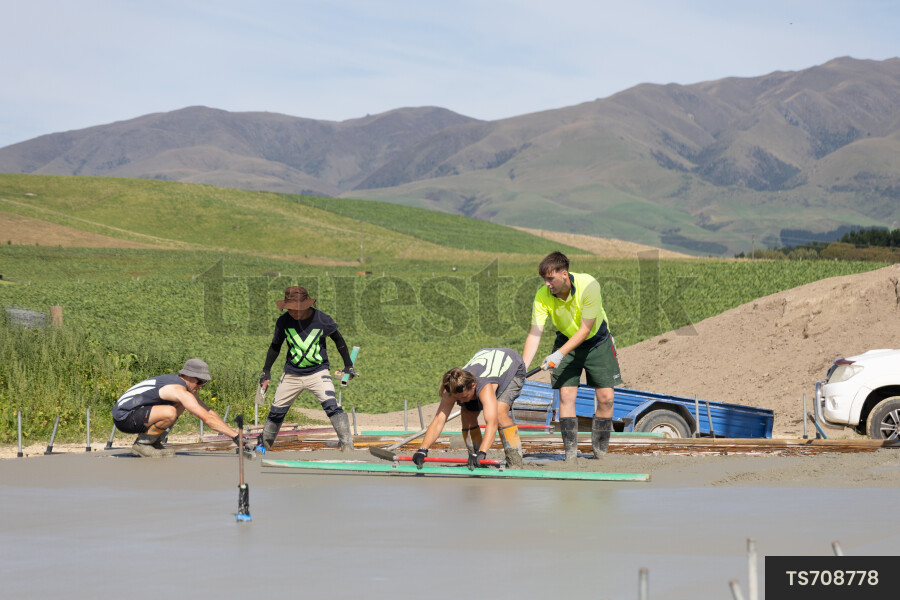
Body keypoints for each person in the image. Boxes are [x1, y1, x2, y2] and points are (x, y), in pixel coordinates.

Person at [522, 251, 622, 460]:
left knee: (606, 399)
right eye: (544, 279)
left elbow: (585, 330)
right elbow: (535, 334)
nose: (547, 284)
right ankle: (570, 455)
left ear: (564, 274)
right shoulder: (542, 295)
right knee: (566, 396)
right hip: (565, 341)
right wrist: (522, 368)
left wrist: (558, 355)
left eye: (550, 278)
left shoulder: (589, 286)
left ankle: (600, 453)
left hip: (597, 342)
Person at [257, 286, 357, 452]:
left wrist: (348, 365)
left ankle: (347, 447)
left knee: (332, 406)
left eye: (295, 309)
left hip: (318, 372)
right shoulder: (283, 321)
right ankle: (262, 447)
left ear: (305, 306)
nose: (292, 312)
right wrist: (266, 370)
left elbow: (339, 341)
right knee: (276, 411)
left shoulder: (322, 319)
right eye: (289, 309)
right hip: (291, 373)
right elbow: (275, 346)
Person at [412, 348, 527, 469]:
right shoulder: (451, 389)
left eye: (464, 397)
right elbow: (438, 420)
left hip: (512, 366)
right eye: (458, 399)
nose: (461, 402)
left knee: (499, 413)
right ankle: (475, 459)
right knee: (467, 414)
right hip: (486, 359)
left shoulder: (485, 387)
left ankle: (515, 463)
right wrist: (423, 450)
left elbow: (492, 423)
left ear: (473, 386)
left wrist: (482, 451)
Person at [113, 358, 249, 458]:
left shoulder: (184, 387)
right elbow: (206, 418)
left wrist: (236, 434)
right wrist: (235, 437)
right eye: (199, 382)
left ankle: (154, 442)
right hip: (124, 417)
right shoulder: (177, 389)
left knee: (180, 405)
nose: (201, 386)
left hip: (137, 412)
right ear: (188, 376)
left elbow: (208, 412)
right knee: (170, 412)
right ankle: (142, 445)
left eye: (204, 383)